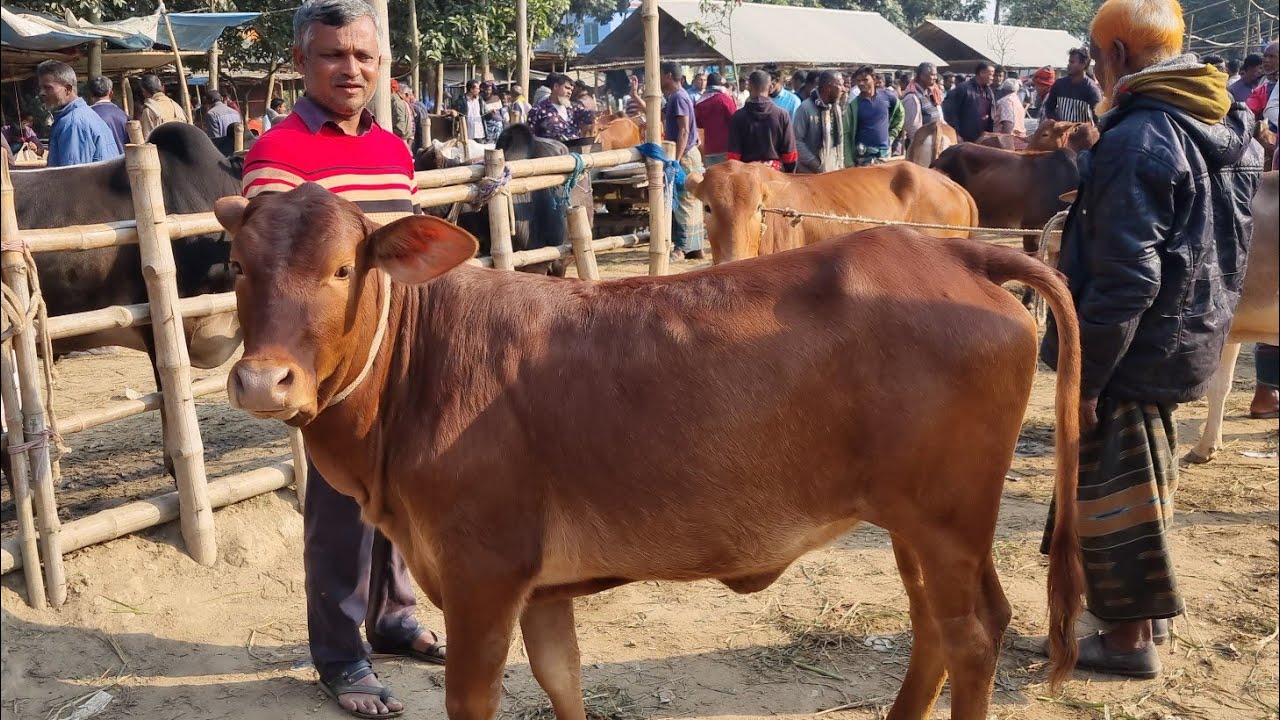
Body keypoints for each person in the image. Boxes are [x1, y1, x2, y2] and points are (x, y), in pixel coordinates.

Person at [1038, 0, 1262, 680]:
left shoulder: (1140, 138)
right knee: (1144, 479)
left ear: (1116, 56)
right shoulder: (1221, 123)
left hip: (1134, 345)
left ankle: (1130, 641)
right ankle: (1138, 618)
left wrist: (1088, 379)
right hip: (1183, 332)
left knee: (1112, 493)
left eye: (1096, 53)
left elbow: (1128, 279)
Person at [239, 1, 448, 716]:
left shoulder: (393, 149)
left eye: (363, 55)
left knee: (401, 495)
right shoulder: (277, 154)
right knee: (338, 509)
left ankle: (393, 618)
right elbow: (272, 273)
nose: (350, 69)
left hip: (402, 360)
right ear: (302, 61)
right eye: (333, 55)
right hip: (330, 374)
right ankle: (339, 656)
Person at [657, 61, 705, 261]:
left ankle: (682, 247)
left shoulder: (678, 97)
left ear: (668, 76)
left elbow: (684, 130)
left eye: (659, 74)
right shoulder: (679, 96)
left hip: (683, 155)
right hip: (688, 152)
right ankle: (696, 248)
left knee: (683, 201)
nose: (657, 78)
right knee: (691, 200)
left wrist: (675, 161)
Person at [35, 60, 120, 167]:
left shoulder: (73, 123)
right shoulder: (85, 114)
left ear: (68, 89)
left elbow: (73, 176)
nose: (41, 93)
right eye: (41, 88)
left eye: (48, 88)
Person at [727, 70, 797, 171]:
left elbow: (733, 157)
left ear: (749, 87)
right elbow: (790, 154)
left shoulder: (737, 117)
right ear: (771, 87)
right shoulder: (782, 115)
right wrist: (788, 176)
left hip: (747, 176)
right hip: (775, 177)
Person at [843, 65, 902, 166]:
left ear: (874, 80)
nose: (861, 83)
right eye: (858, 80)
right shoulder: (854, 105)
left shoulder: (888, 97)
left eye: (865, 80)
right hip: (862, 158)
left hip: (884, 156)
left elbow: (900, 115)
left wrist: (892, 135)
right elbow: (846, 133)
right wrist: (849, 163)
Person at [793, 70, 846, 172]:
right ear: (829, 87)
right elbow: (796, 141)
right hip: (809, 174)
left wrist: (840, 164)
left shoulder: (836, 109)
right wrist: (816, 165)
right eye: (840, 85)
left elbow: (840, 138)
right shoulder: (805, 108)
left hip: (833, 171)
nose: (843, 89)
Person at [1041, 47, 1104, 123]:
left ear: (1083, 64)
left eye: (1072, 62)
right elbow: (1049, 108)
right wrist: (1059, 123)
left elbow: (1098, 118)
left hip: (1080, 133)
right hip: (1061, 132)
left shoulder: (1091, 89)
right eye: (1069, 62)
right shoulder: (1059, 84)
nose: (1068, 65)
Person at [527, 73, 594, 142]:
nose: (570, 92)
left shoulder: (574, 108)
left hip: (575, 151)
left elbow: (591, 115)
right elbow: (530, 138)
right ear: (556, 86)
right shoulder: (537, 111)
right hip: (551, 151)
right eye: (567, 88)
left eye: (571, 90)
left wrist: (602, 115)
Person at [942, 62, 995, 142]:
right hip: (964, 140)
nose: (992, 78)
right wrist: (956, 134)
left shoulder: (988, 92)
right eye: (991, 74)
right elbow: (949, 112)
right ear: (981, 73)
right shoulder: (963, 89)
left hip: (982, 139)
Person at [693, 73, 737, 166]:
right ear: (720, 84)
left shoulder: (700, 102)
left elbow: (698, 123)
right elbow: (734, 119)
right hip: (726, 146)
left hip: (709, 148)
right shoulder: (725, 99)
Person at [901, 62, 944, 145]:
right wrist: (923, 145)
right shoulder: (912, 97)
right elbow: (913, 129)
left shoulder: (932, 94)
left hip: (935, 143)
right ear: (922, 76)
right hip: (922, 146)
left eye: (936, 75)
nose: (935, 78)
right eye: (932, 75)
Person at [86, 75, 129, 153]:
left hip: (101, 164)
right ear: (111, 93)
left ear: (91, 95)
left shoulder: (87, 116)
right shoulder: (123, 115)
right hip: (124, 161)